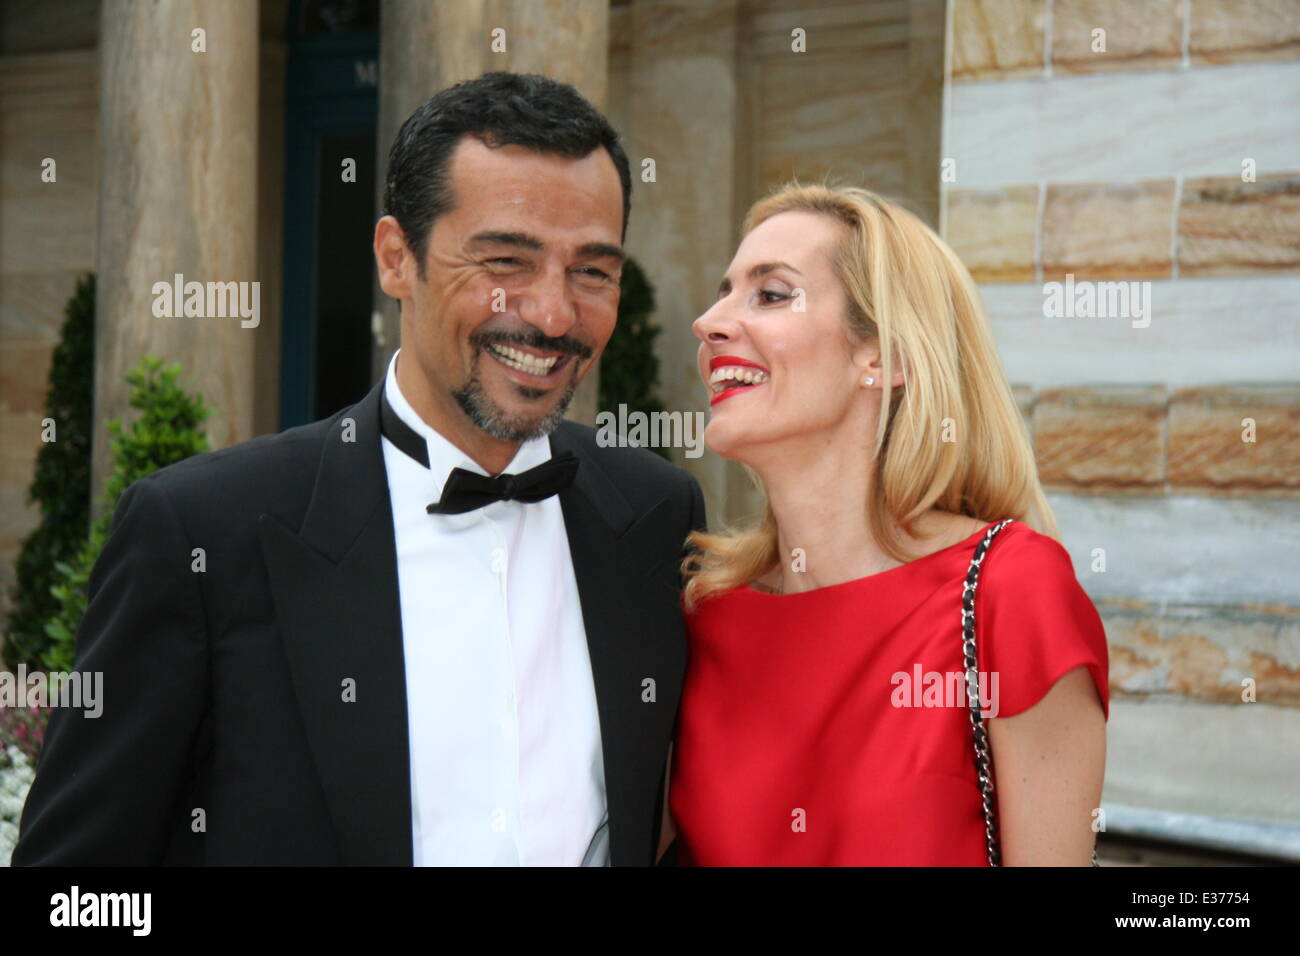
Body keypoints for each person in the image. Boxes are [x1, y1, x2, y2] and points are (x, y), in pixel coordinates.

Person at [15, 71, 704, 866]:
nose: (553, 314)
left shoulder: (657, 516)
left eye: (592, 270)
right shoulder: (203, 532)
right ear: (394, 259)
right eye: (505, 260)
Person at [660, 183, 1108, 866]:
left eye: (771, 294)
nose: (709, 322)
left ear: (886, 357)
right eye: (724, 292)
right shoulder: (708, 616)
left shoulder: (1009, 590)